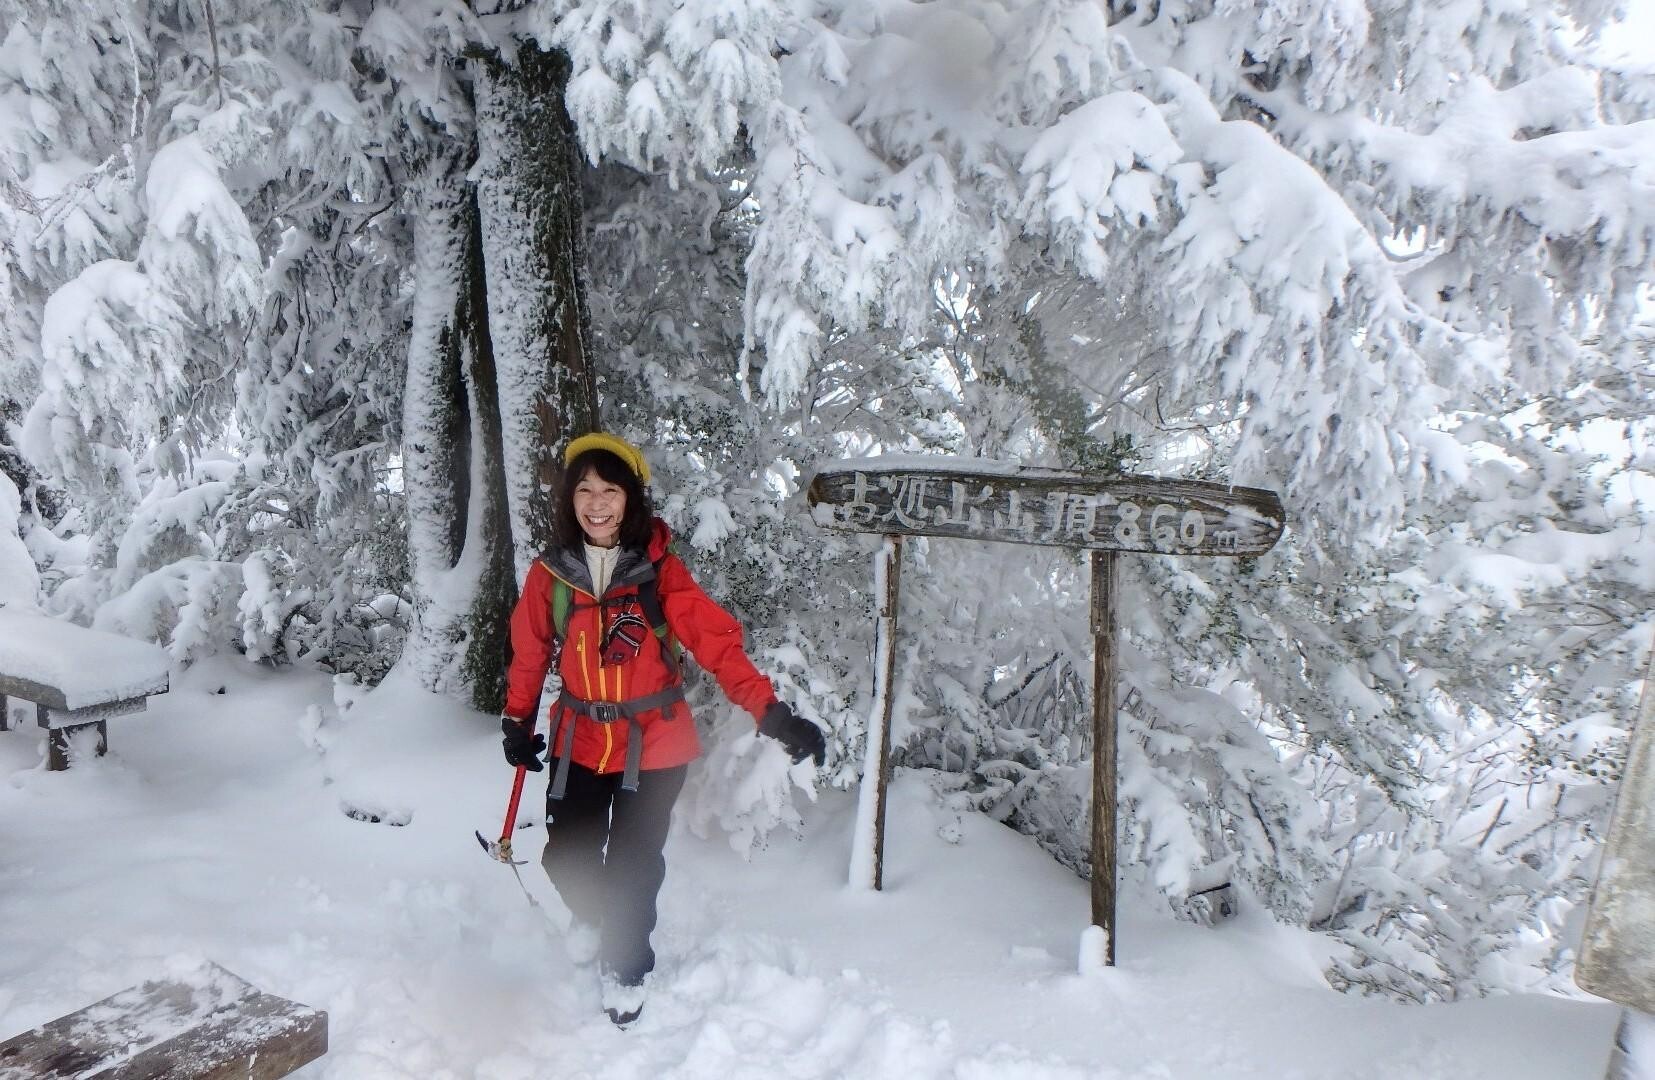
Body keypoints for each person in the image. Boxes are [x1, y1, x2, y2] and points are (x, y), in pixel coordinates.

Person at [498, 432, 825, 1027]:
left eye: (611, 490)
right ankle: (595, 918)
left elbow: (718, 647)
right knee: (564, 856)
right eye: (586, 490)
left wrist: (772, 714)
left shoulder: (660, 573)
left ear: (631, 499)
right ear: (571, 499)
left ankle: (625, 966)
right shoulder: (551, 577)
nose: (597, 503)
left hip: (655, 742)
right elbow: (528, 652)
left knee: (633, 861)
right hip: (579, 739)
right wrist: (516, 721)